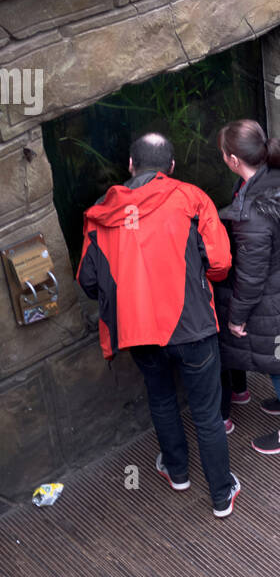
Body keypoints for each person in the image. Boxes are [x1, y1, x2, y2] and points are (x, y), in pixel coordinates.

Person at [77, 132, 241, 518]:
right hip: (193, 328)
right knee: (206, 411)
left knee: (162, 400)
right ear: (171, 168)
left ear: (130, 166)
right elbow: (220, 263)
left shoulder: (100, 214)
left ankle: (177, 471)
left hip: (137, 331)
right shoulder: (192, 199)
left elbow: (87, 281)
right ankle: (221, 494)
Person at [214, 120, 280, 455]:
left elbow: (250, 277)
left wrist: (236, 318)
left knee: (279, 365)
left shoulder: (253, 217)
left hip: (275, 304)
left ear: (234, 160)